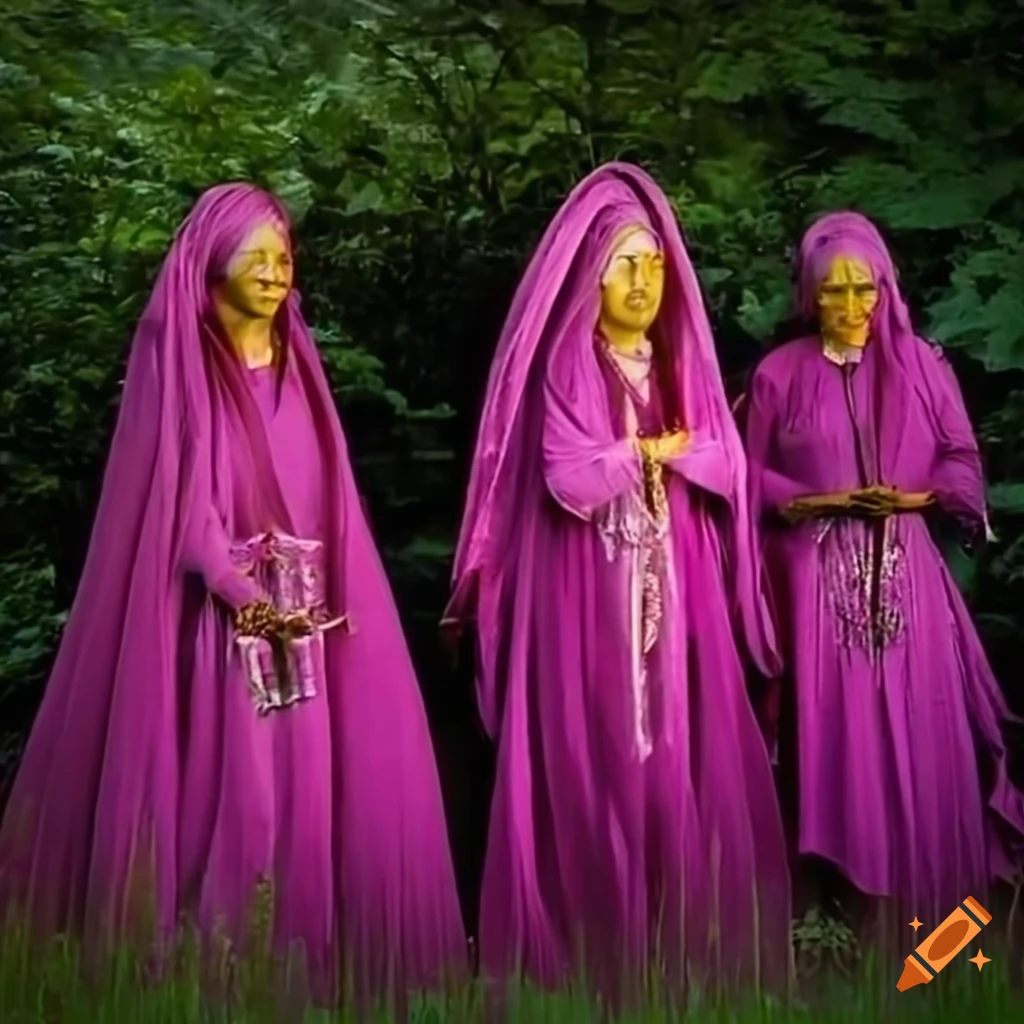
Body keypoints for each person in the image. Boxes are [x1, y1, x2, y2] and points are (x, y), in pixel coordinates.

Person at [0, 184, 466, 1006]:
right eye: (255, 255)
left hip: (308, 626)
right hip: (226, 632)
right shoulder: (183, 368)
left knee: (311, 796)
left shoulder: (301, 373)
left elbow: (329, 501)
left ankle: (306, 972)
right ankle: (213, 976)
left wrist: (318, 602)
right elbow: (176, 506)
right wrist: (238, 591)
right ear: (213, 266)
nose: (274, 270)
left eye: (283, 255)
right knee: (241, 798)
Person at [443, 163, 791, 1001]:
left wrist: (670, 454)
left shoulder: (677, 366)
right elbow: (567, 476)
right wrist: (646, 452)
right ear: (592, 276)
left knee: (676, 743)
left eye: (655, 265)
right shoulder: (569, 365)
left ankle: (684, 945)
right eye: (626, 265)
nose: (644, 282)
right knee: (596, 743)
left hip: (676, 587)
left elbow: (723, 459)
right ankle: (593, 943)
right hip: (585, 593)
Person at [743, 211, 1024, 934]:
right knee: (830, 733)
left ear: (883, 287)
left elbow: (963, 460)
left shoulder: (922, 368)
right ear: (809, 294)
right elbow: (747, 476)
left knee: (922, 725)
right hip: (815, 586)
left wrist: (918, 498)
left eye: (862, 288)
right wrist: (813, 501)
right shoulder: (778, 375)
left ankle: (938, 912)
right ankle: (835, 909)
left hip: (909, 579)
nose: (851, 306)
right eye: (832, 291)